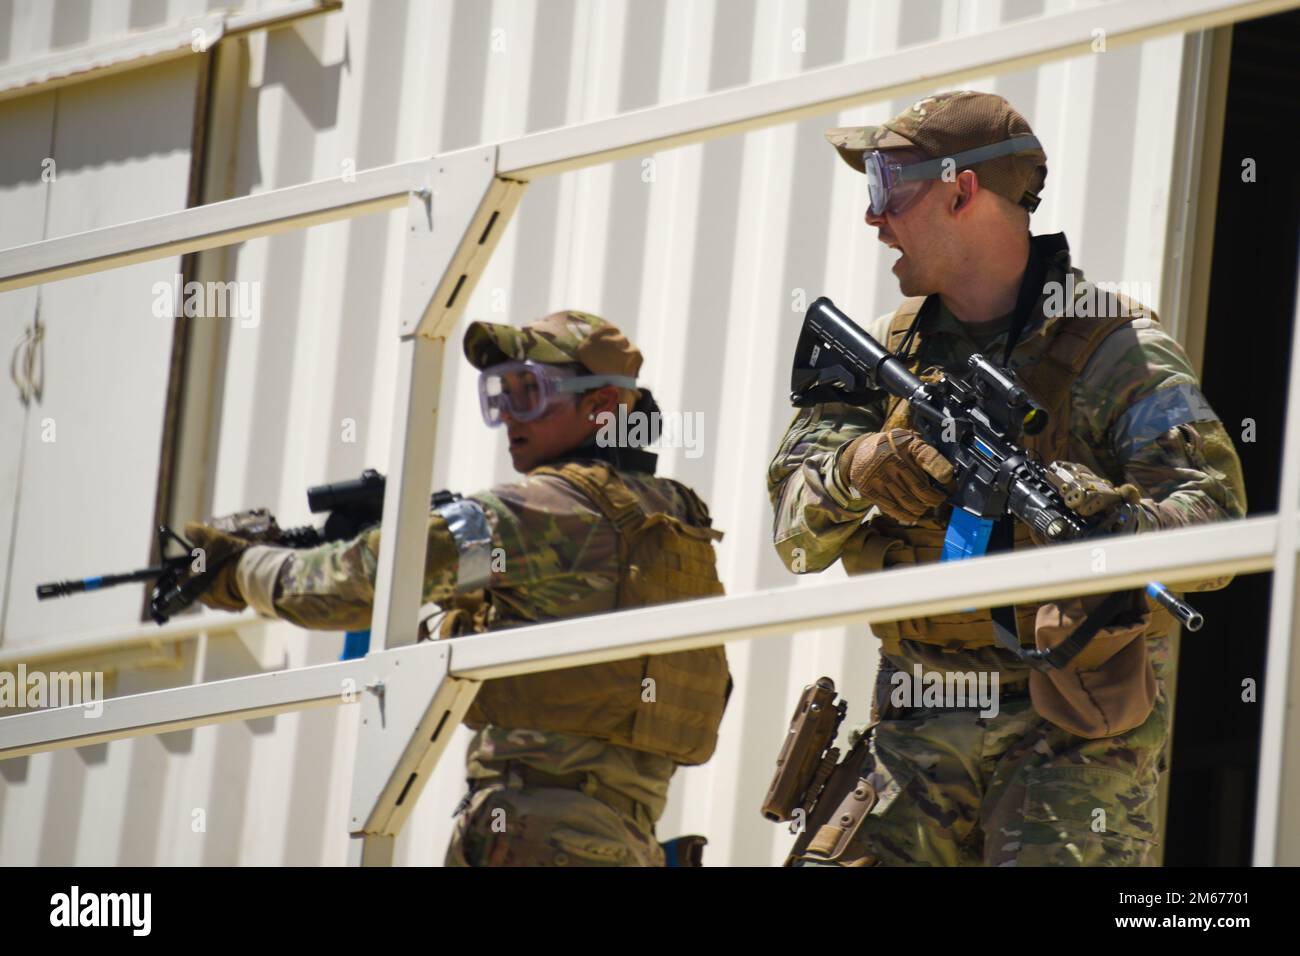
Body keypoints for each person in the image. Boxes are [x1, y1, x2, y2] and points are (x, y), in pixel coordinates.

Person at [768, 91, 1246, 866]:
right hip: (917, 722)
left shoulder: (1114, 346)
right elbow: (792, 535)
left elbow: (1220, 525)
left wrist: (1111, 522)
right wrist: (864, 467)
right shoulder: (883, 352)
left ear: (961, 190)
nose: (873, 218)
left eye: (889, 185)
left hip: (1071, 734)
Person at [189, 310, 731, 866]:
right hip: (625, 842)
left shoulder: (547, 510)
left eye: (533, 394)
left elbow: (361, 581)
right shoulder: (675, 520)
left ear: (601, 407)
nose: (509, 419)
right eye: (501, 395)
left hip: (530, 837)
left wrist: (235, 571)